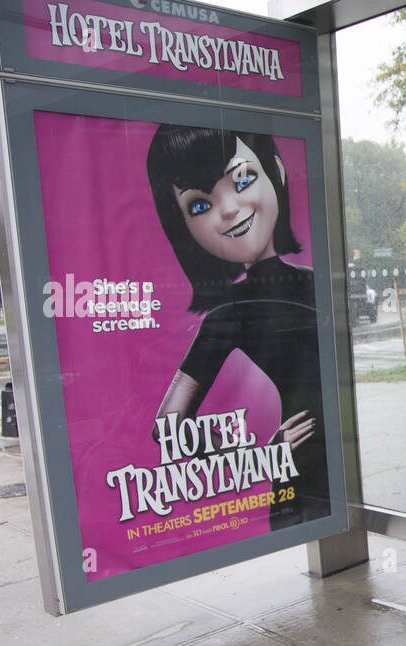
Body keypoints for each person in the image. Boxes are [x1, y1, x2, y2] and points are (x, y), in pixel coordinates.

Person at [146, 124, 328, 530]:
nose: (228, 209)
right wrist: (260, 455)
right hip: (299, 476)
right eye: (199, 205)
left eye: (242, 179)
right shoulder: (228, 314)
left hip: (340, 462)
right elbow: (168, 427)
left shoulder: (323, 284)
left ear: (276, 173)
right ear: (184, 229)